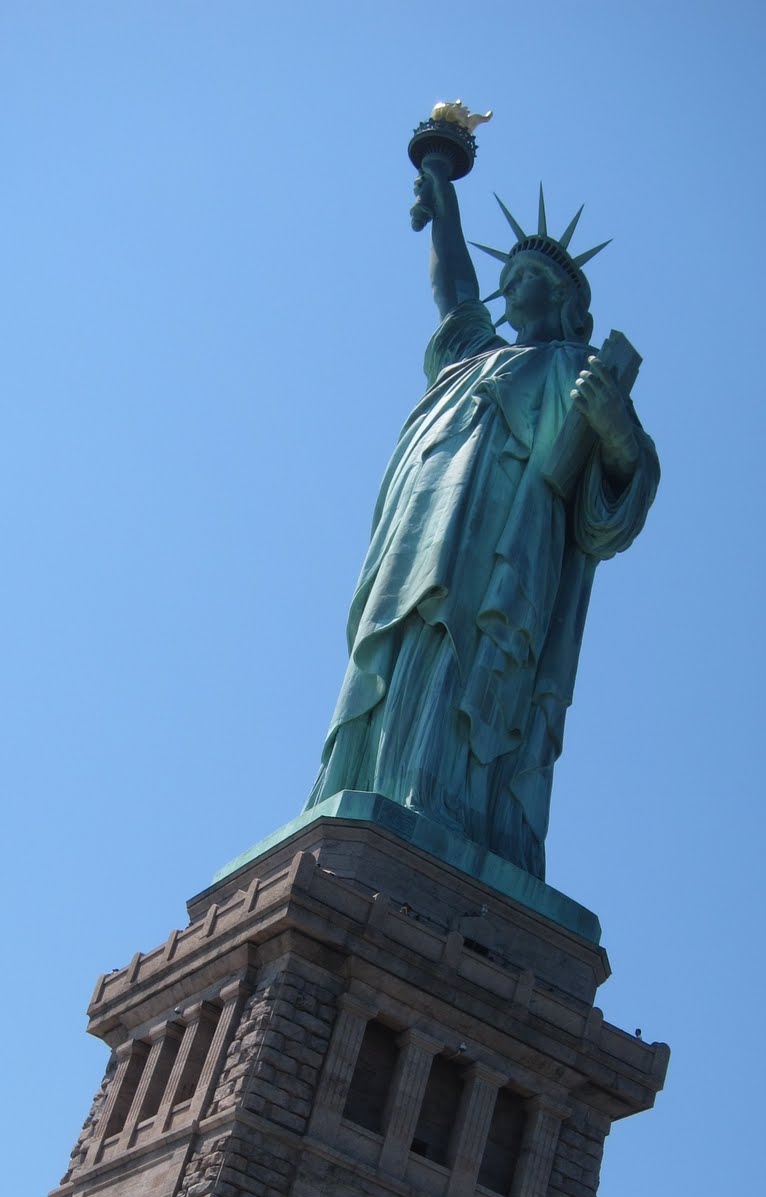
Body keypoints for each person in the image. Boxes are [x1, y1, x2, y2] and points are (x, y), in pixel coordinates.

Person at [306, 162, 659, 880]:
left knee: (463, 667)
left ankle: (446, 808)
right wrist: (444, 205)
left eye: (528, 273)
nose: (512, 283)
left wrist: (616, 432)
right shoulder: (475, 357)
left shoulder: (576, 367)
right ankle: (376, 788)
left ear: (565, 301)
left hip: (503, 555)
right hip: (421, 536)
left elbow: (614, 507)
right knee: (400, 657)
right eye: (513, 271)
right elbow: (455, 293)